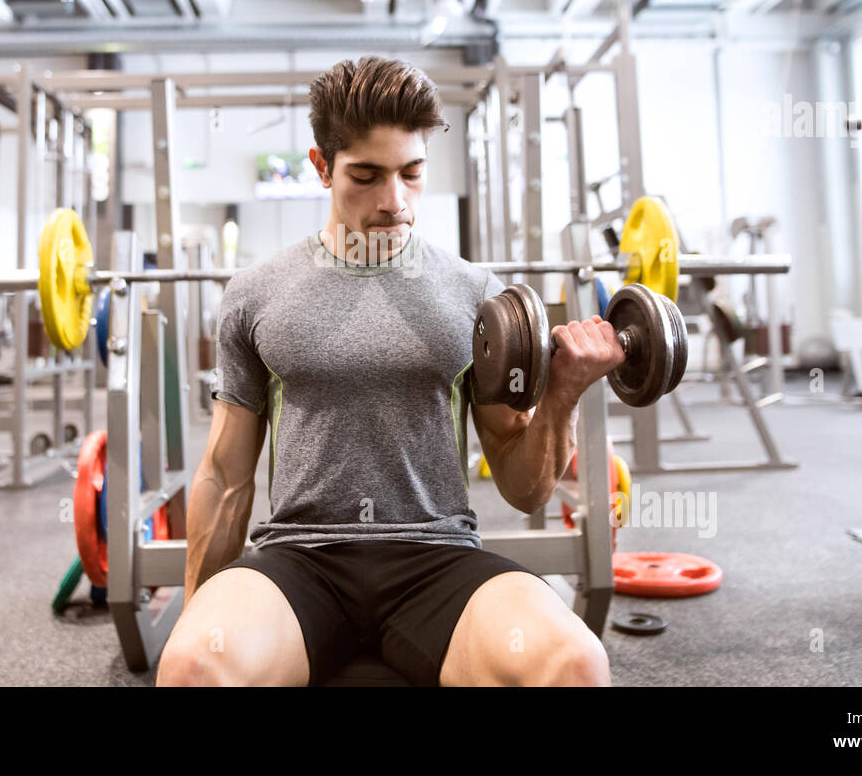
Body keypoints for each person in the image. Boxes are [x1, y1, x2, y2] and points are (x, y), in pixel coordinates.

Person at [156, 57, 624, 686]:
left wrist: (563, 392)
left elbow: (523, 486)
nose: (393, 202)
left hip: (436, 560)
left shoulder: (477, 296)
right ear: (323, 167)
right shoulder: (256, 294)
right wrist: (200, 612)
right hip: (300, 560)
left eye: (411, 173)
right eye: (366, 176)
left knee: (576, 665)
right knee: (192, 667)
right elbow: (224, 474)